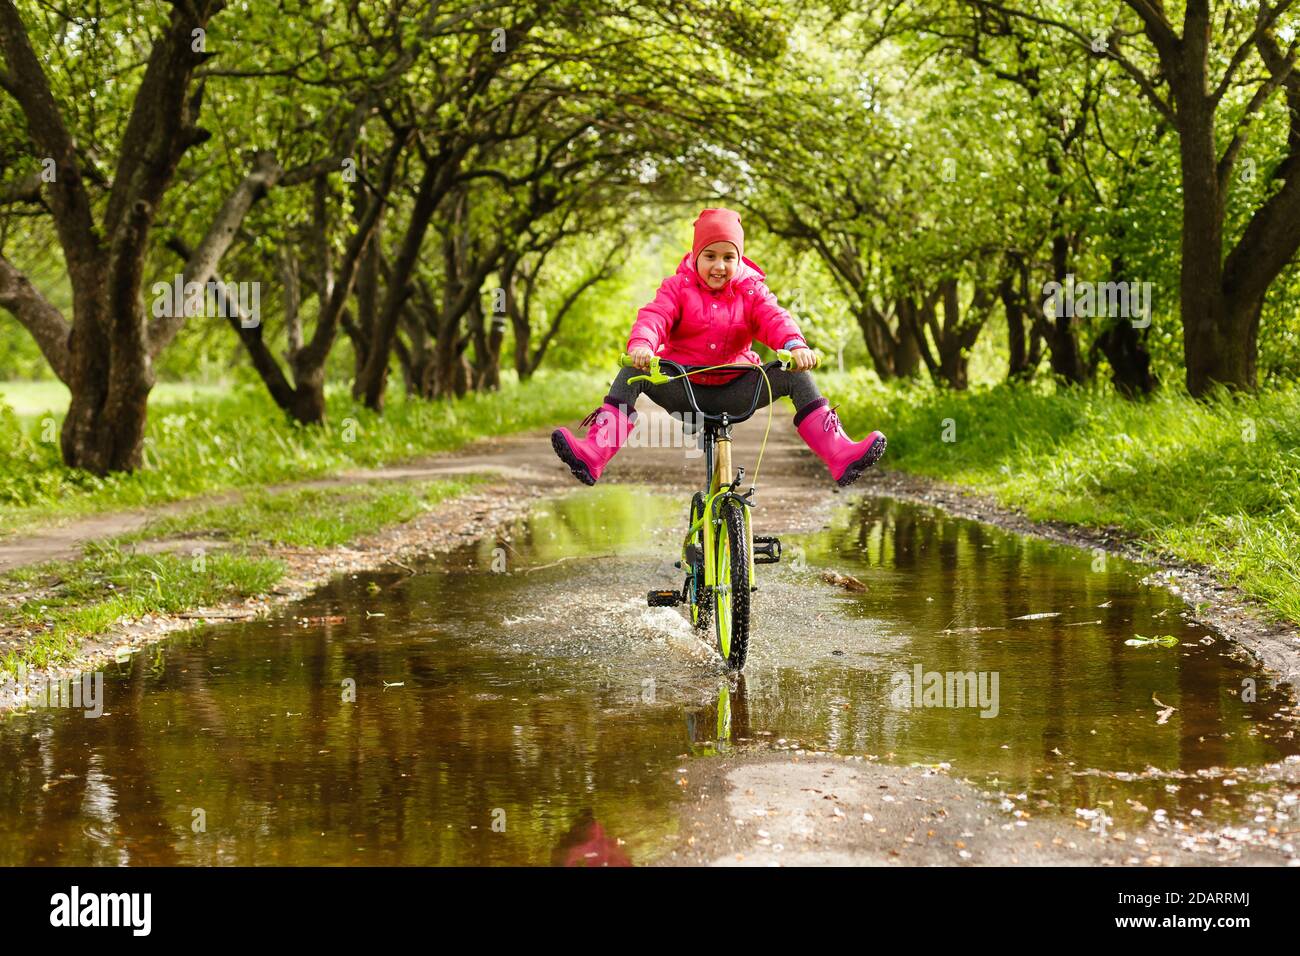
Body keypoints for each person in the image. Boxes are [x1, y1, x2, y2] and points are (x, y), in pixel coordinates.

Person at [550, 207, 886, 486]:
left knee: (794, 376)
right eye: (710, 256)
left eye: (729, 257)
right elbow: (655, 316)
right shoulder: (677, 288)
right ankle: (593, 454)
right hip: (683, 385)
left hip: (737, 387)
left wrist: (795, 345)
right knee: (632, 373)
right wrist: (643, 345)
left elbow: (775, 318)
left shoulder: (751, 291)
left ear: (740, 259)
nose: (719, 266)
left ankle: (840, 454)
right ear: (696, 256)